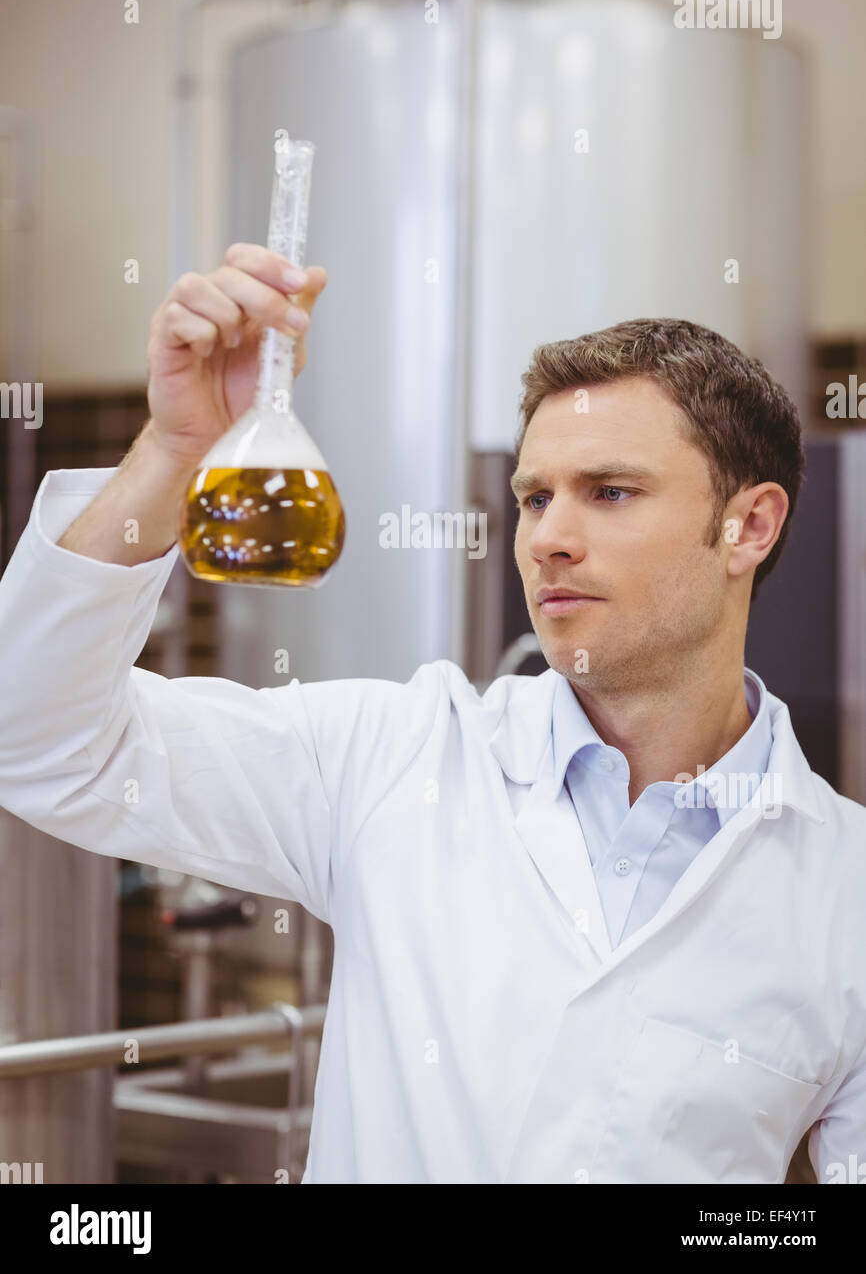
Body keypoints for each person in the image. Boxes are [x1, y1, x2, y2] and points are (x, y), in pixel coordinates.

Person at [0, 244, 863, 1185]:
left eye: (609, 493)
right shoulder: (390, 759)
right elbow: (35, 737)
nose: (550, 540)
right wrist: (174, 454)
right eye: (534, 498)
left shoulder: (843, 893)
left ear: (751, 525)